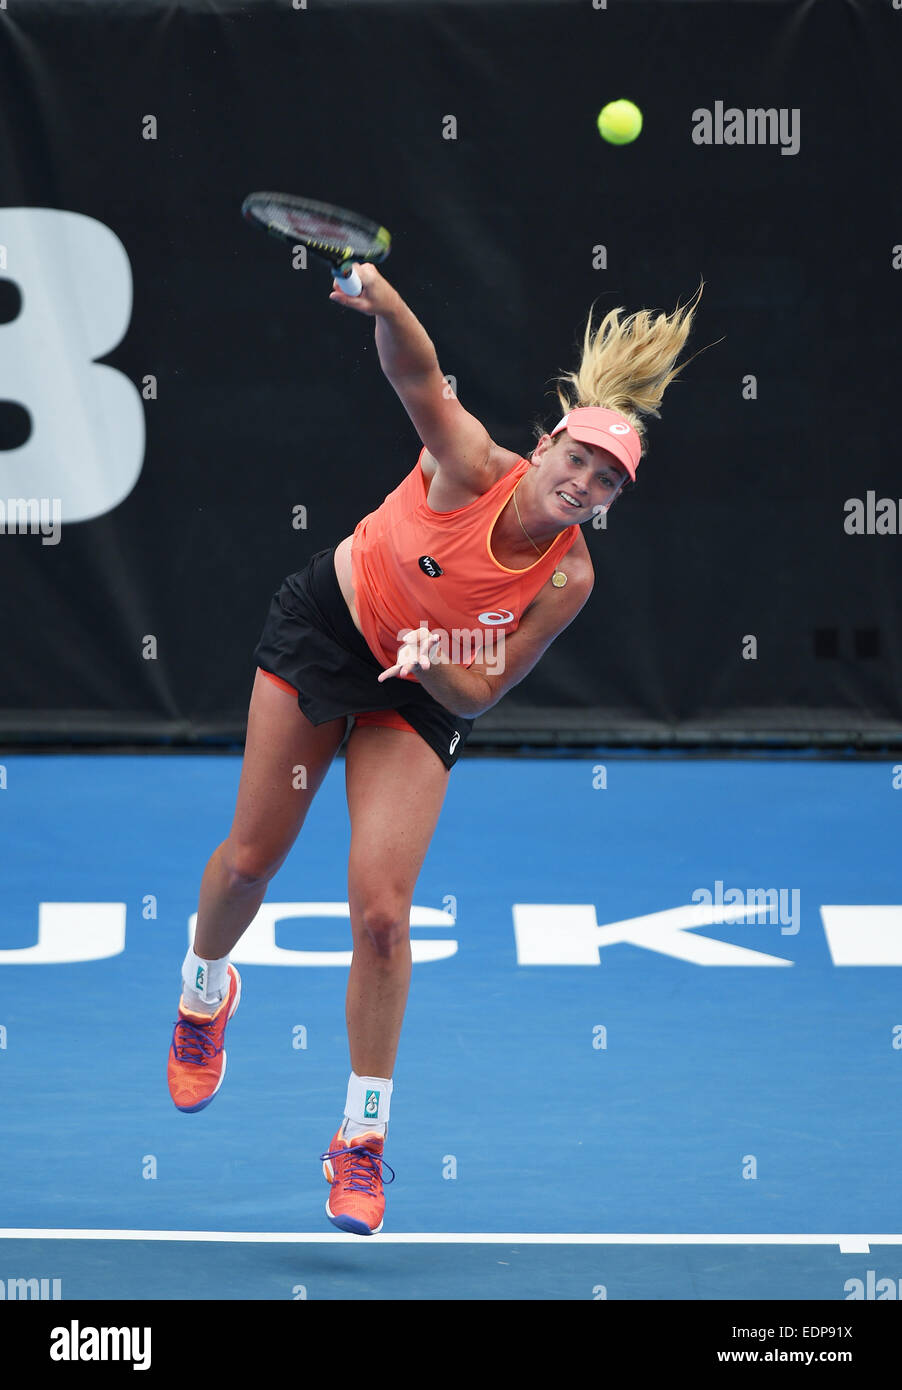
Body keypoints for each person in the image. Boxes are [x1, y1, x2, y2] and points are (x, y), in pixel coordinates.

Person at [167, 263, 704, 1236]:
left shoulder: (567, 578)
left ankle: (360, 1139)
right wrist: (388, 301)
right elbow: (420, 377)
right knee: (250, 862)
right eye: (578, 460)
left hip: (420, 694)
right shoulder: (466, 462)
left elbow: (484, 684)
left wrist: (432, 657)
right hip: (325, 632)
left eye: (606, 481)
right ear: (546, 445)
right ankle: (204, 991)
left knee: (380, 915)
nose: (583, 484)